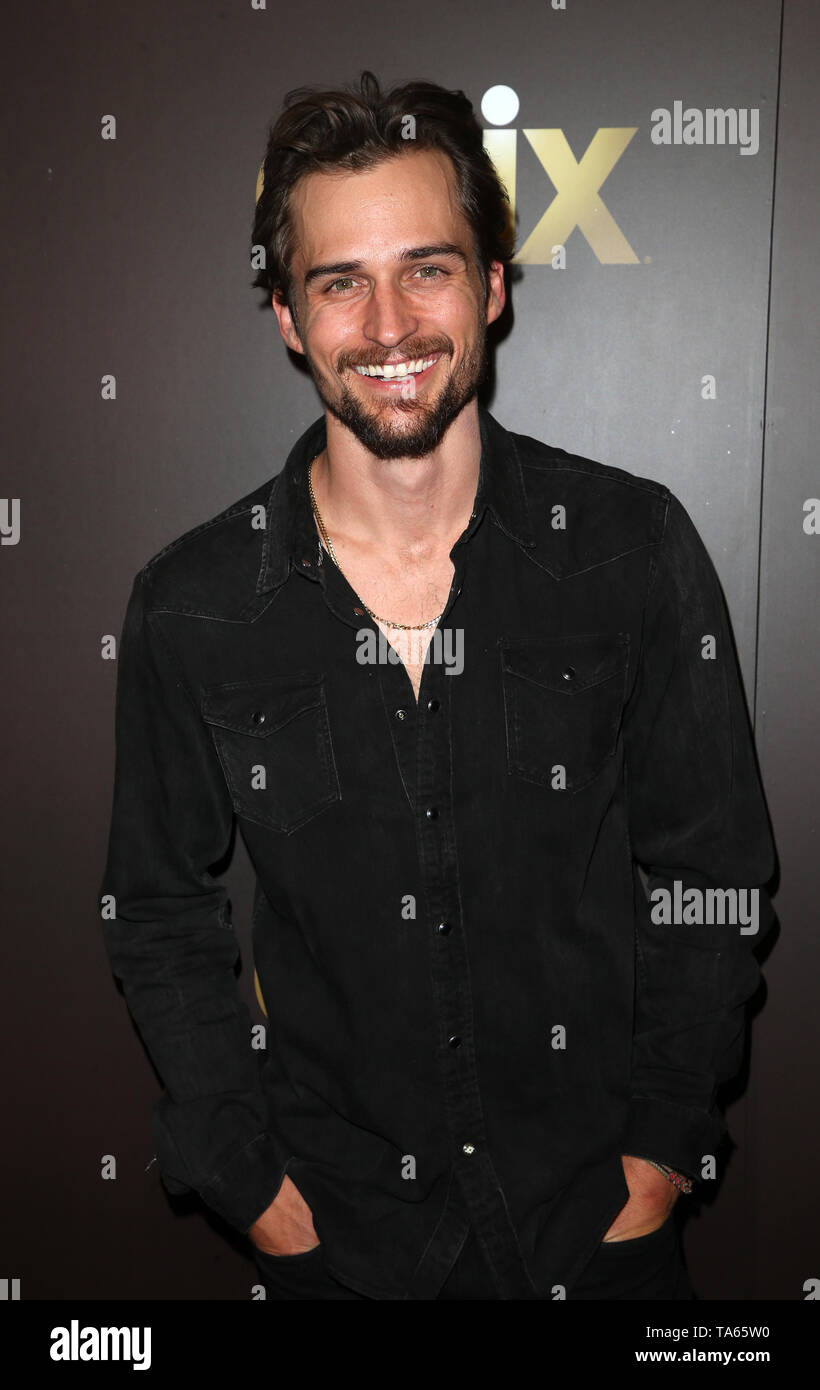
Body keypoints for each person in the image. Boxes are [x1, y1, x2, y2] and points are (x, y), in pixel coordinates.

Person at [99, 70, 775, 1301]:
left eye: (428, 267)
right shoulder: (194, 604)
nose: (390, 323)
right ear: (290, 320)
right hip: (337, 1242)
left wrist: (659, 1155)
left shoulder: (628, 549)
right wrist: (251, 1186)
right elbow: (153, 910)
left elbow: (710, 872)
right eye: (339, 281)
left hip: (598, 1230)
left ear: (494, 287)